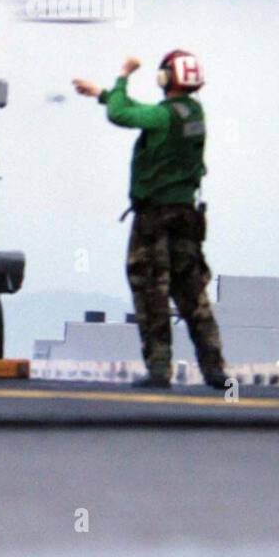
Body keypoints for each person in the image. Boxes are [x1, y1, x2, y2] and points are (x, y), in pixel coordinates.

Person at [72, 51, 230, 389]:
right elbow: (141, 113)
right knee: (192, 292)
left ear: (164, 79)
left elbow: (121, 114)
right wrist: (100, 93)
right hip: (186, 216)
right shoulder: (194, 113)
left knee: (150, 290)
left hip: (154, 217)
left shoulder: (164, 116)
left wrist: (122, 76)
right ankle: (215, 368)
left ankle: (160, 369)